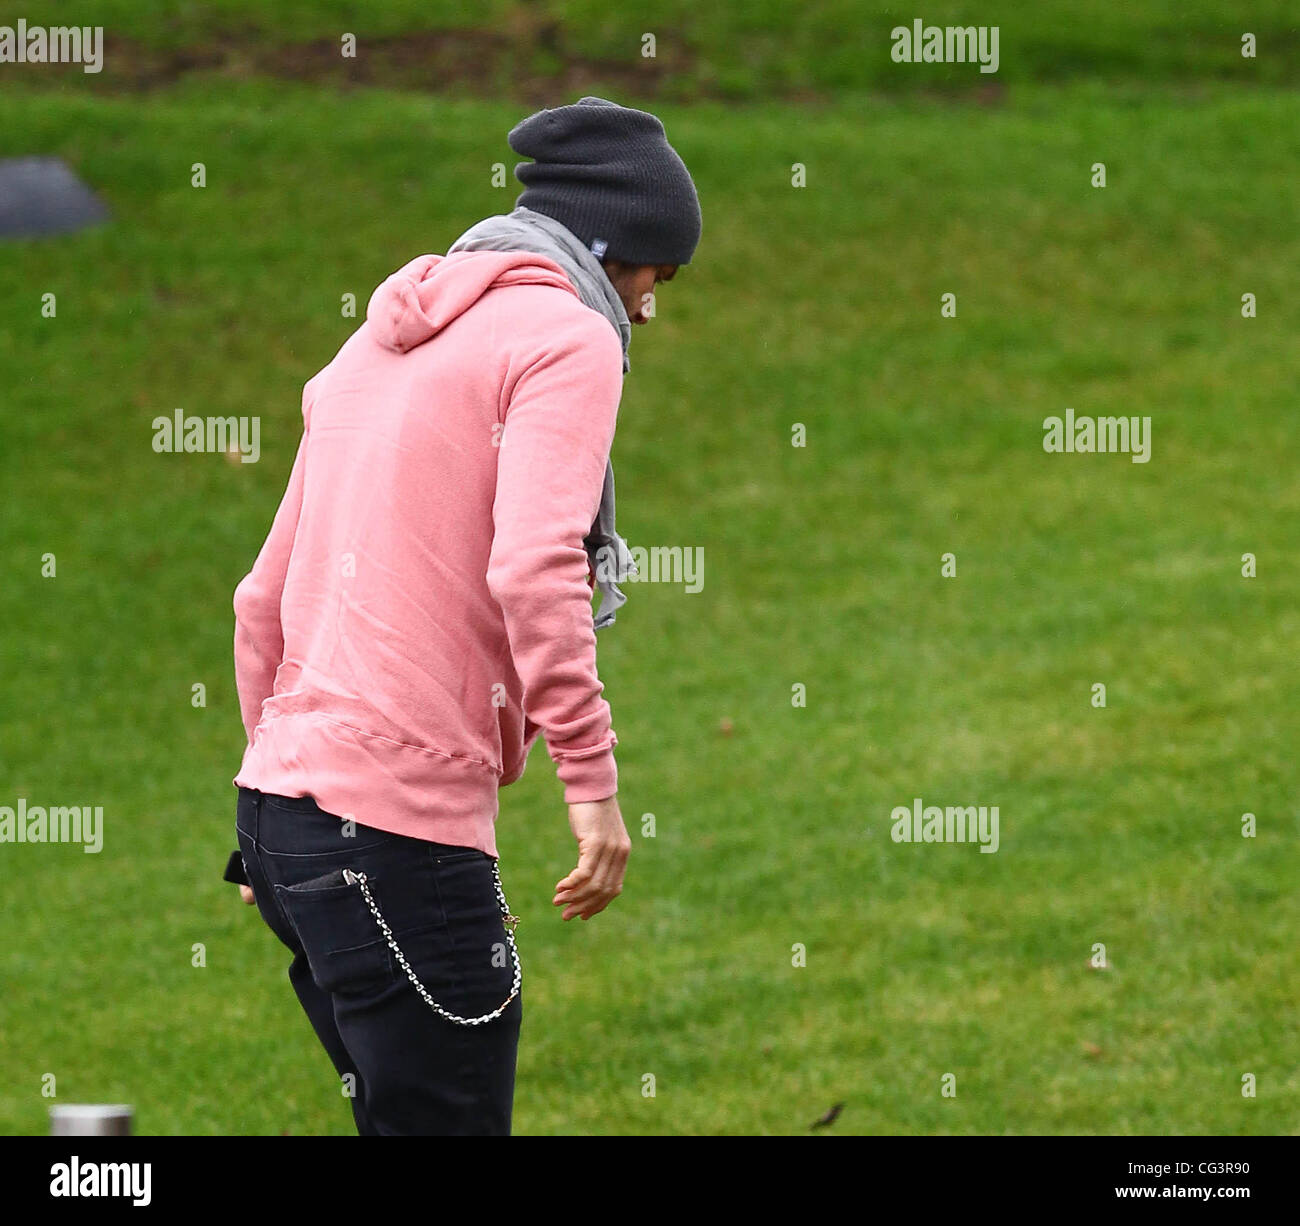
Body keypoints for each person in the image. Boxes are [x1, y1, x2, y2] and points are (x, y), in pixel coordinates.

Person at [228, 96, 702, 1136]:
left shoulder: (373, 344)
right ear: (610, 247)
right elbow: (535, 568)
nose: (650, 308)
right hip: (397, 835)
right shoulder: (566, 338)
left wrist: (273, 812)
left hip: (280, 821)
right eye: (654, 275)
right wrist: (593, 786)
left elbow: (259, 599)